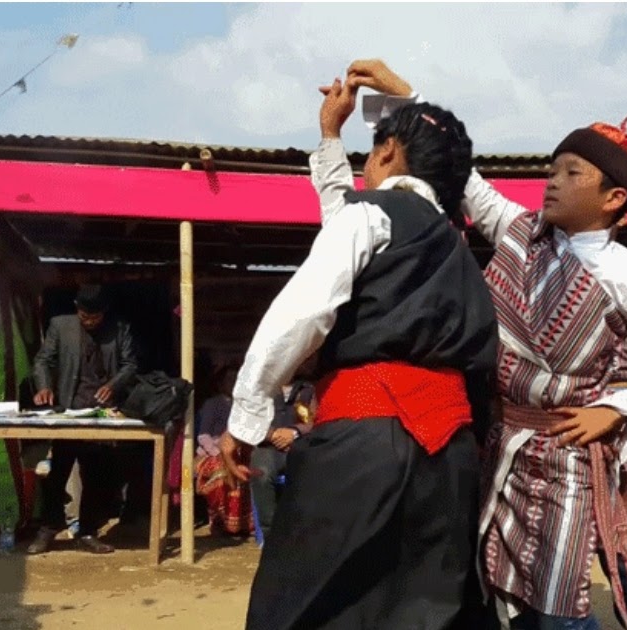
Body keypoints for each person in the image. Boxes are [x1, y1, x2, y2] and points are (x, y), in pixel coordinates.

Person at [344, 60, 627, 630]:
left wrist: (615, 408)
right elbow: (464, 175)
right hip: (503, 444)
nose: (551, 180)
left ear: (614, 199)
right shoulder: (520, 232)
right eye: (552, 168)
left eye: (570, 173)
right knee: (498, 585)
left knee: (560, 598)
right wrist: (406, 99)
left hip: (568, 460)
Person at [220, 79, 498, 630]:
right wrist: (331, 137)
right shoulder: (457, 249)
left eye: (369, 155)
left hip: (365, 444)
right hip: (450, 457)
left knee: (306, 608)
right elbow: (346, 214)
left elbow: (303, 311)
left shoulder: (371, 217)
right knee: (421, 613)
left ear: (388, 152)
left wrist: (247, 414)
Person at [27, 284, 138, 555]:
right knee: (57, 474)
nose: (88, 321)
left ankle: (87, 533)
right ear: (77, 309)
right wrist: (43, 386)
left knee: (96, 475)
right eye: (84, 316)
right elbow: (43, 360)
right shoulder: (60, 326)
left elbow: (130, 365)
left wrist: (113, 385)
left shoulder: (119, 329)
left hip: (101, 412)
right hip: (69, 409)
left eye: (94, 317)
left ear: (104, 313)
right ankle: (49, 528)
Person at [249, 379, 314, 540]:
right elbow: (249, 420)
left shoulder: (309, 390)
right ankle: (270, 534)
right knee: (261, 473)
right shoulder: (260, 389)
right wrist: (274, 434)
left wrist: (294, 432)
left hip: (302, 445)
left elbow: (318, 420)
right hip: (267, 446)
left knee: (314, 472)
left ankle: (305, 533)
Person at [193, 367, 254, 537]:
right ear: (220, 384)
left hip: (240, 451)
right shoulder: (213, 403)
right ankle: (221, 522)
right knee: (220, 472)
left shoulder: (245, 406)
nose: (233, 384)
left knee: (248, 469)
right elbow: (203, 435)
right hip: (212, 451)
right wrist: (217, 451)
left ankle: (243, 524)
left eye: (236, 379)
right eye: (229, 380)